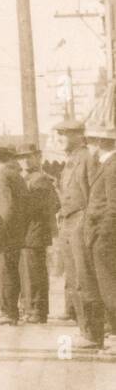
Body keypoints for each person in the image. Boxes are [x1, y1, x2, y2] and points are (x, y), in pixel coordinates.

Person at [56, 118, 103, 346]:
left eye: (64, 133)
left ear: (78, 135)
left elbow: (94, 193)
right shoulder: (71, 160)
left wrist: (87, 222)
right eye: (60, 133)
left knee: (85, 278)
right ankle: (85, 330)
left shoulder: (87, 158)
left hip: (80, 221)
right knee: (74, 278)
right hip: (68, 221)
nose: (60, 138)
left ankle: (94, 333)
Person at [0, 145, 27, 326]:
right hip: (16, 231)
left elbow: (5, 208)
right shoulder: (15, 175)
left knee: (3, 271)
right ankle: (12, 310)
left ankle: (8, 312)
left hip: (5, 233)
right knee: (11, 270)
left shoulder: (0, 177)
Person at [83, 120, 116, 352]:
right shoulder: (106, 165)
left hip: (106, 238)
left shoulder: (112, 167)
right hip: (100, 236)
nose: (89, 147)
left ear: (101, 143)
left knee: (110, 287)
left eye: (91, 142)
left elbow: (114, 207)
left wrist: (103, 235)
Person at [18, 144, 59, 324]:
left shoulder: (40, 179)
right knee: (28, 272)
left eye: (29, 156)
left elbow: (44, 206)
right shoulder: (27, 178)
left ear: (38, 156)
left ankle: (37, 310)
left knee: (34, 272)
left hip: (34, 232)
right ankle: (31, 308)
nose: (25, 160)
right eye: (22, 157)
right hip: (28, 233)